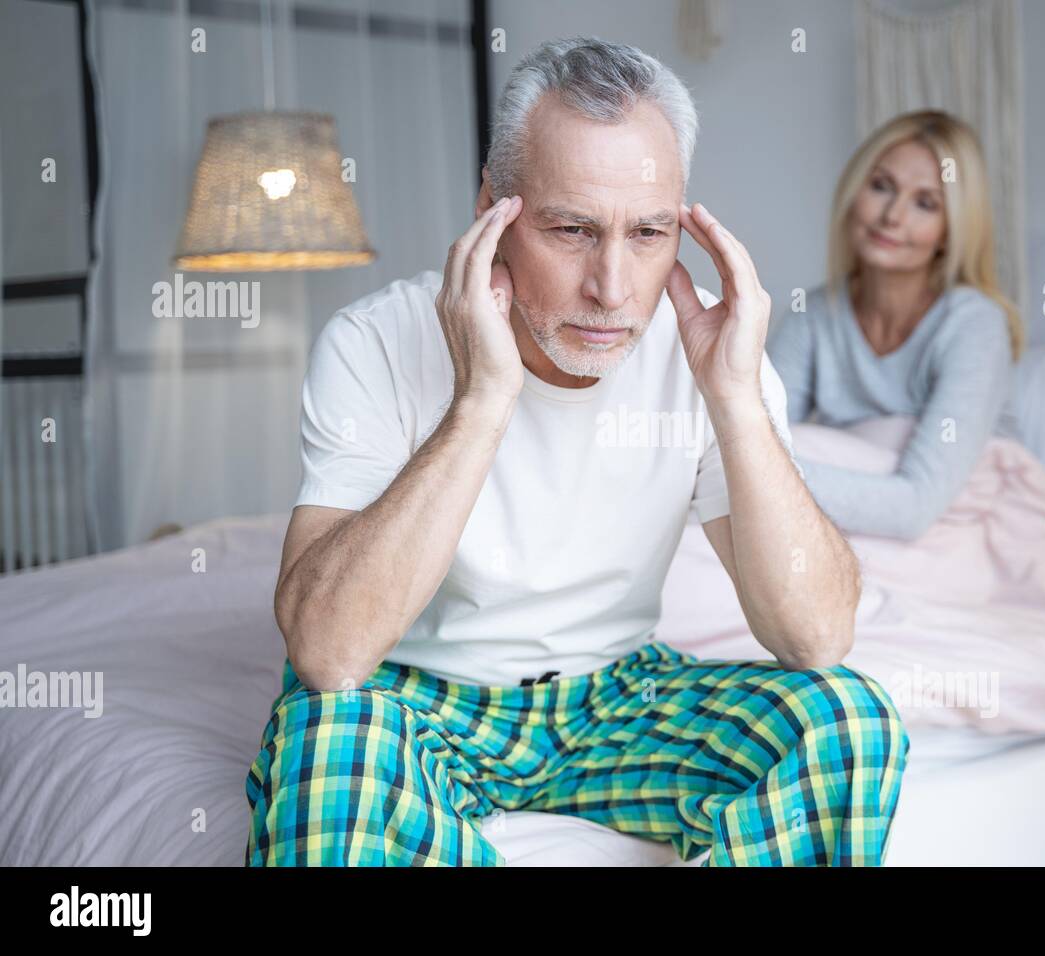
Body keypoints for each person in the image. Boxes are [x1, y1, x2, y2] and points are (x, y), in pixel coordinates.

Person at [244, 37, 910, 867]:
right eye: (571, 230)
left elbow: (815, 639)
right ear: (492, 210)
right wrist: (482, 400)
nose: (612, 287)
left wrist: (736, 398)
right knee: (331, 755)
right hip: (412, 697)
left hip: (618, 699)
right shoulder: (374, 341)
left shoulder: (709, 346)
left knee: (846, 721)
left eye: (649, 233)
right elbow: (328, 653)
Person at [767, 110, 1024, 541]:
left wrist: (760, 480)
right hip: (841, 524)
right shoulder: (811, 316)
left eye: (925, 204)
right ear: (854, 191)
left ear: (951, 229)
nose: (893, 216)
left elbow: (916, 508)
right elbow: (757, 437)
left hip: (959, 532)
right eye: (882, 186)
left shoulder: (974, 326)